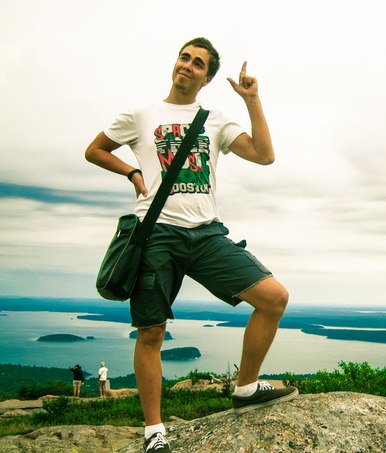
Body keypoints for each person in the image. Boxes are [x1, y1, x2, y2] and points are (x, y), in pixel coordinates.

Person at [85, 37, 297, 452]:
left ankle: (246, 387)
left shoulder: (214, 119)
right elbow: (95, 150)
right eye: (184, 57)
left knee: (273, 298)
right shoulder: (140, 114)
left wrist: (252, 100)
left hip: (205, 234)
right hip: (156, 233)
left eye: (198, 63)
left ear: (207, 78)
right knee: (152, 332)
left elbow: (264, 154)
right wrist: (131, 172)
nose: (187, 65)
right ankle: (154, 431)